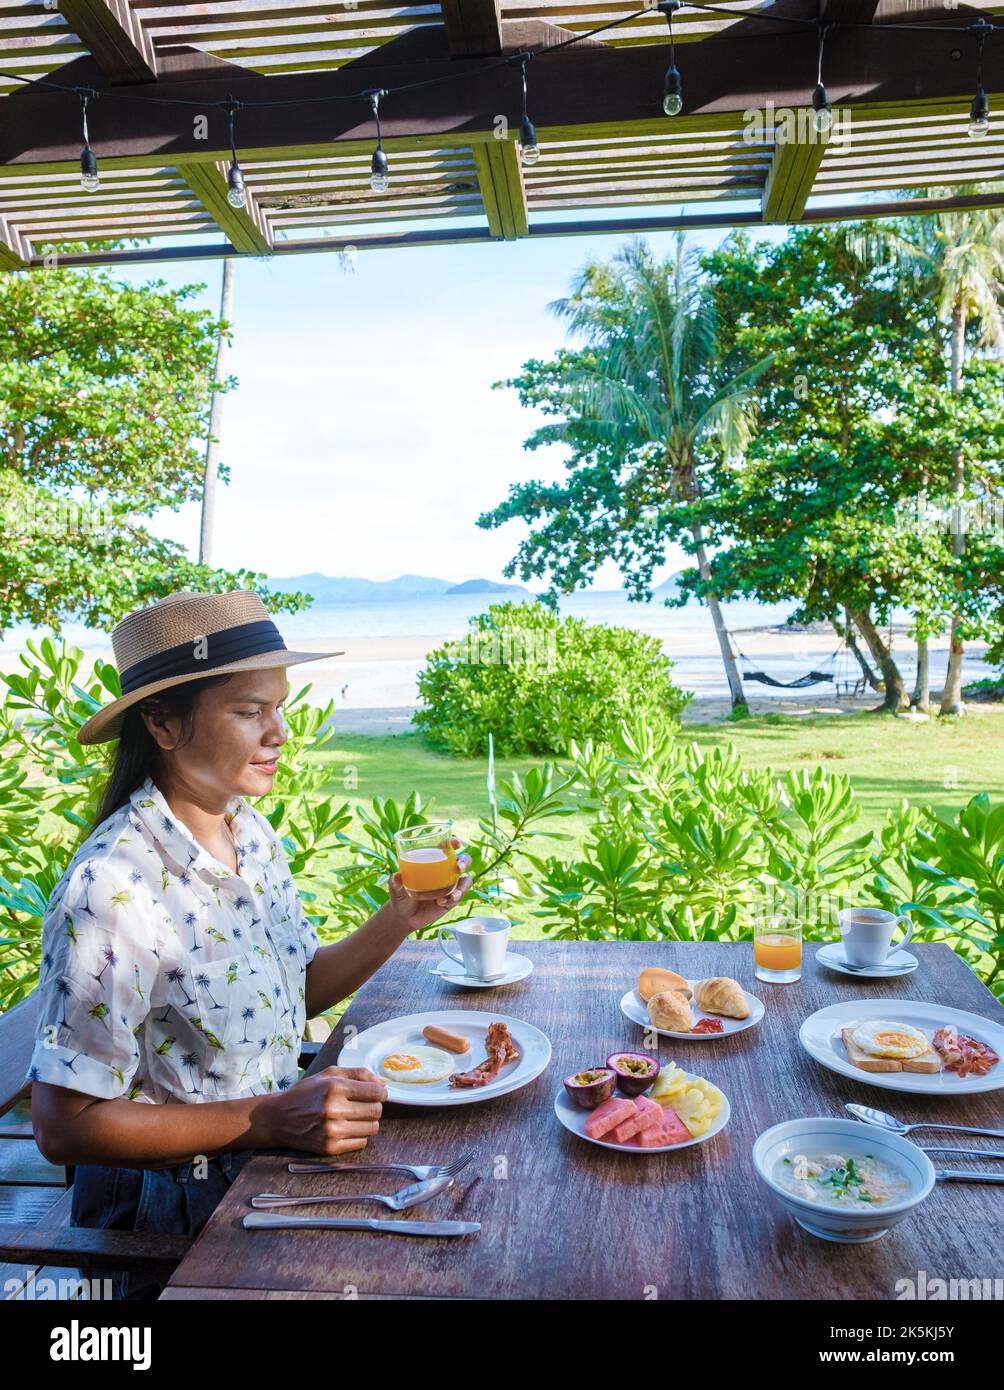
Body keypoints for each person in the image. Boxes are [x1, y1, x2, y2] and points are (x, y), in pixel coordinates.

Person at [26, 590, 472, 1298]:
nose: (281, 734)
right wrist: (263, 1118)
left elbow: (292, 989)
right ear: (163, 723)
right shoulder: (112, 890)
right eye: (249, 711)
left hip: (273, 1168)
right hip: (170, 1221)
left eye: (280, 707)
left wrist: (399, 918)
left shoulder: (248, 834)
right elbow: (61, 1127)